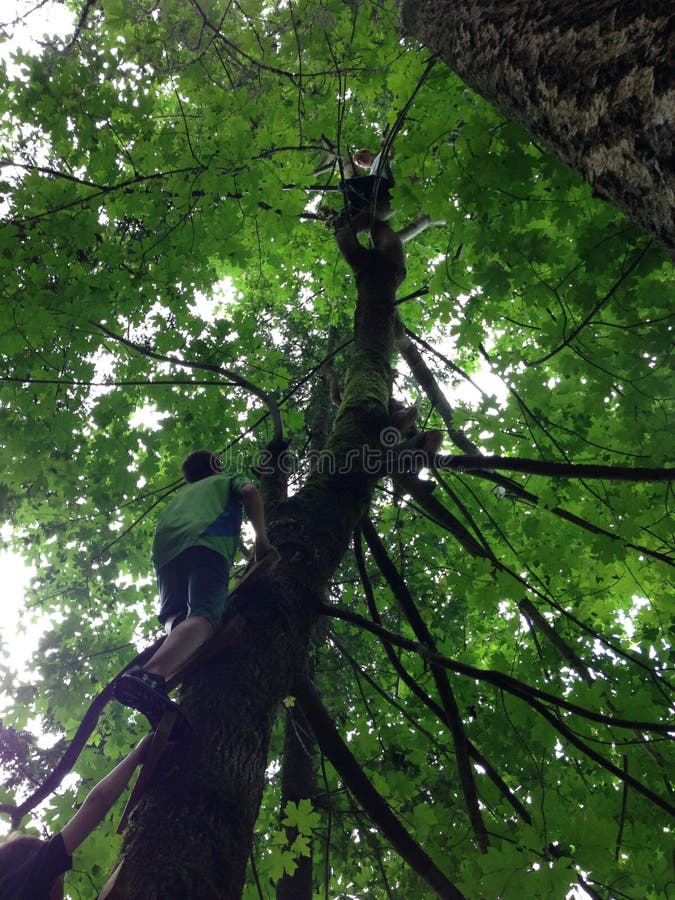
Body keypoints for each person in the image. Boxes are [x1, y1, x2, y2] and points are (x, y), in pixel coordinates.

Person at [114, 450, 277, 727]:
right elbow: (250, 491)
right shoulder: (226, 479)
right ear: (217, 467)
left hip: (166, 556)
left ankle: (158, 684)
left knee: (175, 619)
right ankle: (150, 675)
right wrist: (262, 539)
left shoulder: (179, 499)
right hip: (207, 544)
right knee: (204, 617)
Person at [0, 735, 151, 900]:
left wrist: (138, 754)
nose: (62, 881)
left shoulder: (26, 881)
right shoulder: (30, 878)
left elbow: (98, 801)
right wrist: (137, 754)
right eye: (59, 873)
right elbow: (97, 801)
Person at [339, 144, 395, 220]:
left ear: (368, 153)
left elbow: (391, 148)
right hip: (377, 192)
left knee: (344, 184)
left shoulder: (380, 156)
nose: (361, 161)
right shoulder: (371, 173)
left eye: (361, 157)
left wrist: (384, 141)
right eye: (359, 163)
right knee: (343, 212)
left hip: (383, 183)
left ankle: (360, 204)